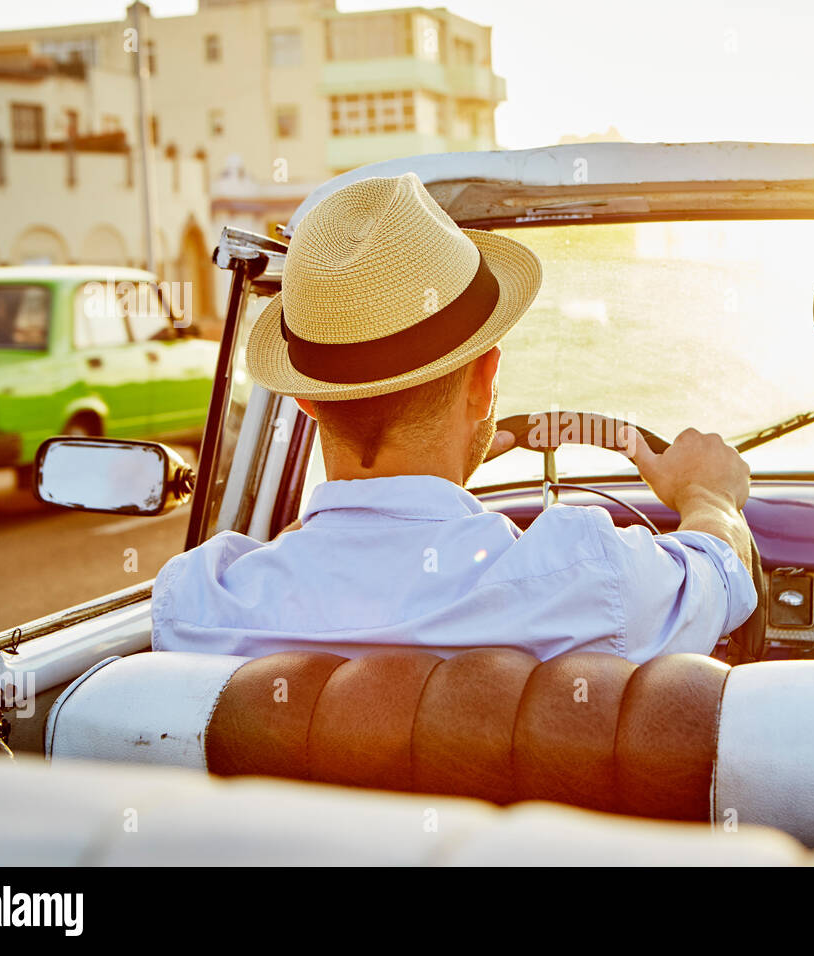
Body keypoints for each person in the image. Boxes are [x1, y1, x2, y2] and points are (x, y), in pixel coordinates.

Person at [150, 173, 756, 664]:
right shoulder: (583, 575)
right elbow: (720, 575)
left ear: (307, 400)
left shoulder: (200, 603)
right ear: (485, 379)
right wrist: (709, 495)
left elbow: (327, 566)